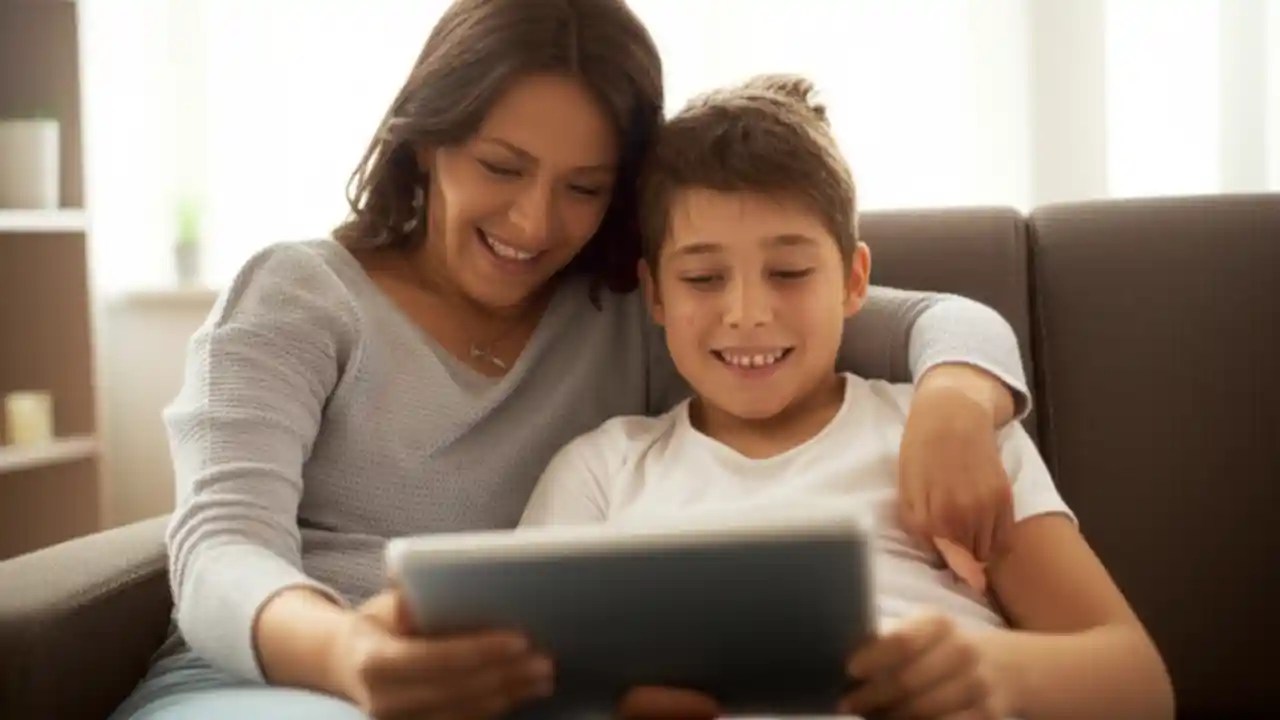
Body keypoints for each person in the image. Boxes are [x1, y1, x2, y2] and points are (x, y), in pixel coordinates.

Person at [112, 2, 1041, 719]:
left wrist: (958, 402)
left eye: (583, 189)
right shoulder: (299, 295)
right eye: (502, 168)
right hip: (272, 683)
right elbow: (220, 547)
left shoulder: (631, 315)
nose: (532, 224)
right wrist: (354, 653)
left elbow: (927, 317)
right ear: (429, 141)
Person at [519, 74, 1175, 720]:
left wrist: (992, 670)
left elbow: (1139, 684)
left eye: (789, 272)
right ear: (656, 294)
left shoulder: (945, 436)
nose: (746, 312)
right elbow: (524, 689)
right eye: (703, 277)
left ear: (853, 280)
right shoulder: (600, 473)